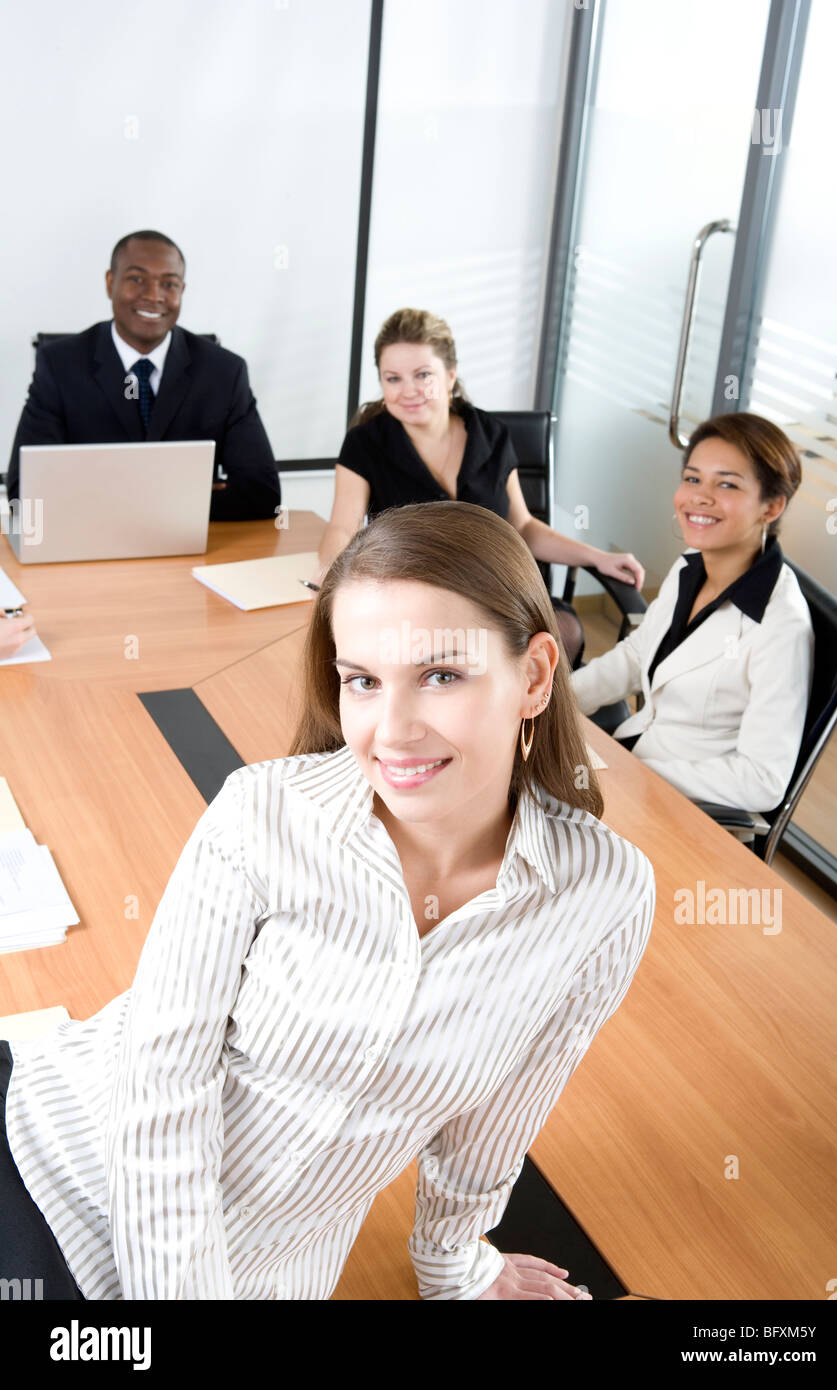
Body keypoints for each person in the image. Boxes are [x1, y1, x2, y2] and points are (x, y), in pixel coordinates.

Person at [0, 500, 654, 1302]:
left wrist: (454, 1261)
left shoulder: (604, 895)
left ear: (535, 676)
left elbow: (500, 1116)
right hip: (52, 1159)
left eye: (441, 675)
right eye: (363, 682)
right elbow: (159, 1090)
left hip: (267, 1271)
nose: (392, 729)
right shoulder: (262, 812)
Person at [315, 307, 646, 667]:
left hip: (496, 590)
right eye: (392, 378)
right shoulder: (365, 443)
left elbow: (522, 527)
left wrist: (598, 556)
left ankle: (527, 718)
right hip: (415, 598)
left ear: (450, 376)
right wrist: (329, 577)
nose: (407, 391)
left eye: (422, 375)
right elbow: (342, 528)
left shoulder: (492, 434)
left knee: (561, 631)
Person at [570, 413, 814, 813]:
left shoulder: (781, 625)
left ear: (771, 507)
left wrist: (634, 772)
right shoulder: (692, 564)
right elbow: (637, 656)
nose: (699, 497)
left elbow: (762, 781)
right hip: (627, 757)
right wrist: (555, 702)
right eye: (693, 478)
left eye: (727, 484)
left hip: (672, 804)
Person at [6, 231, 281, 522]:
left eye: (169, 283)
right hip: (90, 548)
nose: (153, 295)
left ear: (182, 291)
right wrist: (187, 497)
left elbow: (261, 494)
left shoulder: (224, 372)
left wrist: (98, 497)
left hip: (189, 550)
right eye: (137, 279)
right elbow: (24, 495)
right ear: (110, 282)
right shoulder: (60, 366)